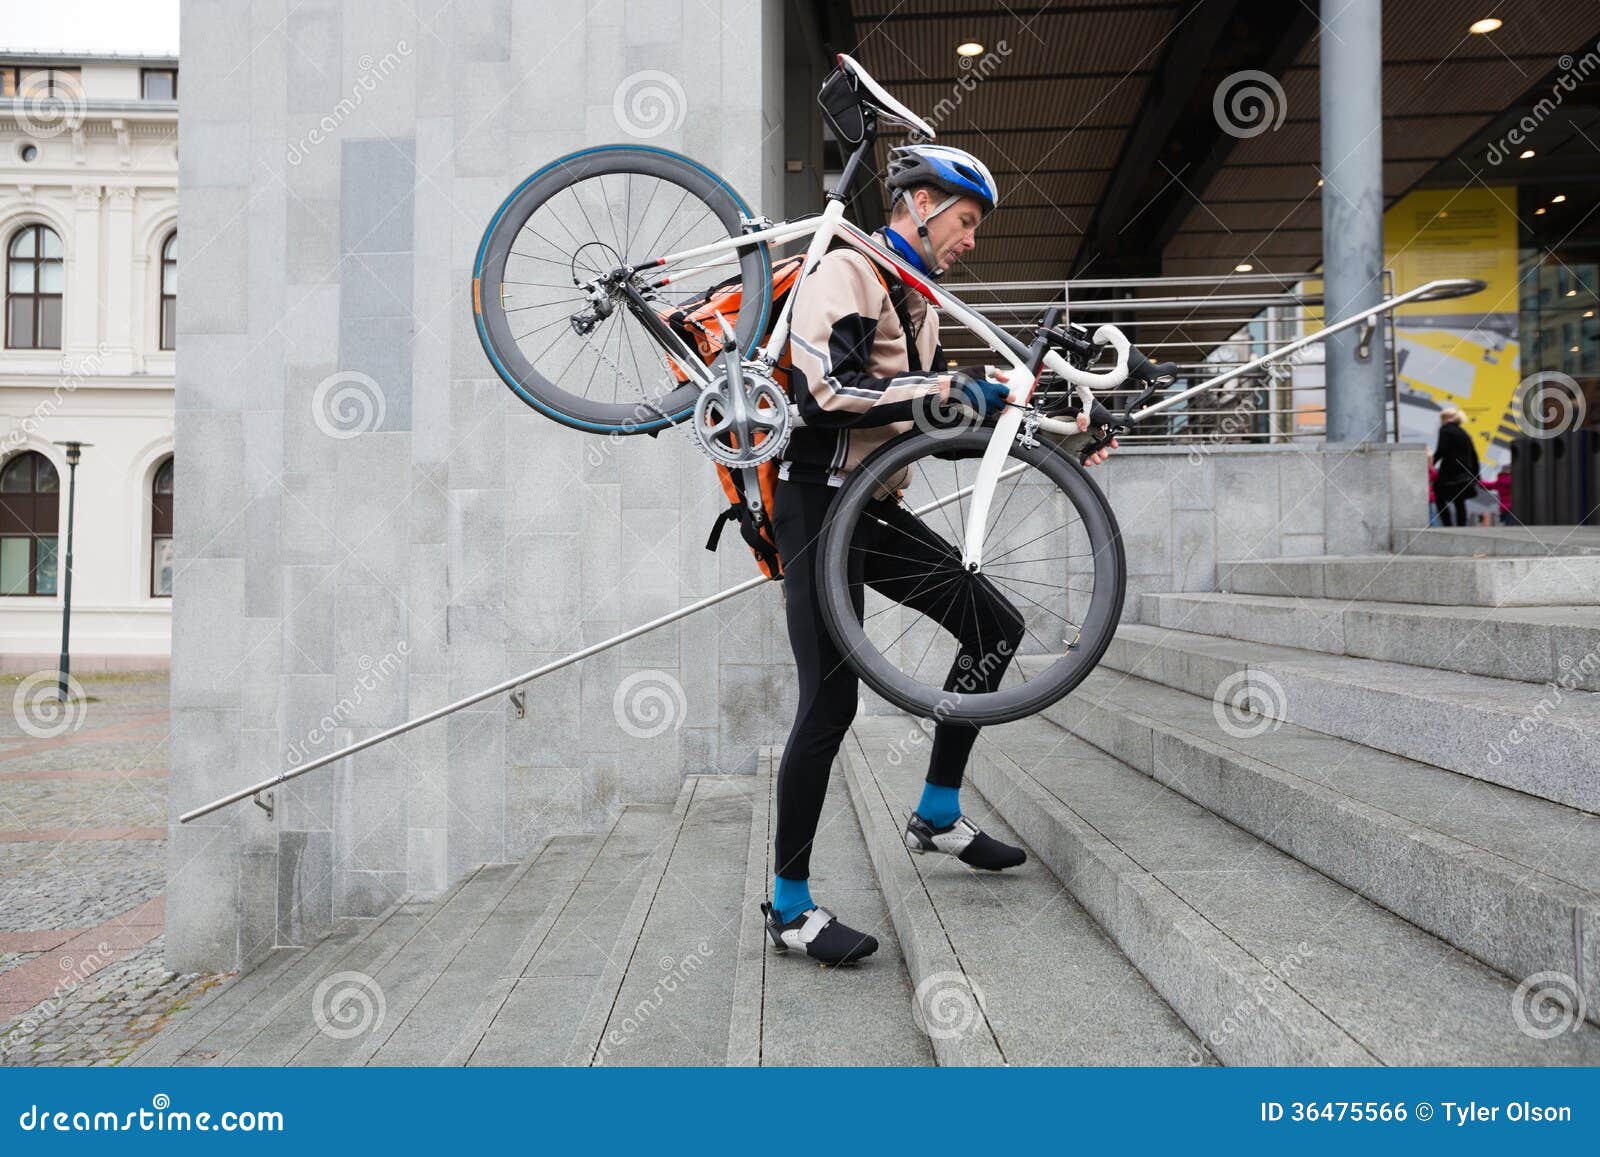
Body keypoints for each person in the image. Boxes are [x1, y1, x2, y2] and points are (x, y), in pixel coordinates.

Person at [760, 144, 1118, 965]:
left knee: (993, 624)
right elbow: (826, 397)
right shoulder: (848, 269)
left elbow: (923, 425)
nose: (971, 240)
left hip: (871, 503)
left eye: (976, 228)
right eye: (965, 221)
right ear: (917, 203)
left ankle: (936, 811)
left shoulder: (919, 301)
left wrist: (1055, 431)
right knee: (830, 702)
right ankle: (787, 906)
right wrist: (951, 389)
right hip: (815, 502)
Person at [1433, 407, 1480, 527]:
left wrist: (1430, 464)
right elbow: (1474, 455)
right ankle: (1461, 526)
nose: (1441, 421)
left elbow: (1441, 450)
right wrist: (1476, 475)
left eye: (1442, 418)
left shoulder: (1445, 429)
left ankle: (1447, 524)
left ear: (1446, 418)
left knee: (1439, 496)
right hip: (1464, 473)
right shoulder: (1464, 433)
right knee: (1459, 500)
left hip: (1449, 472)